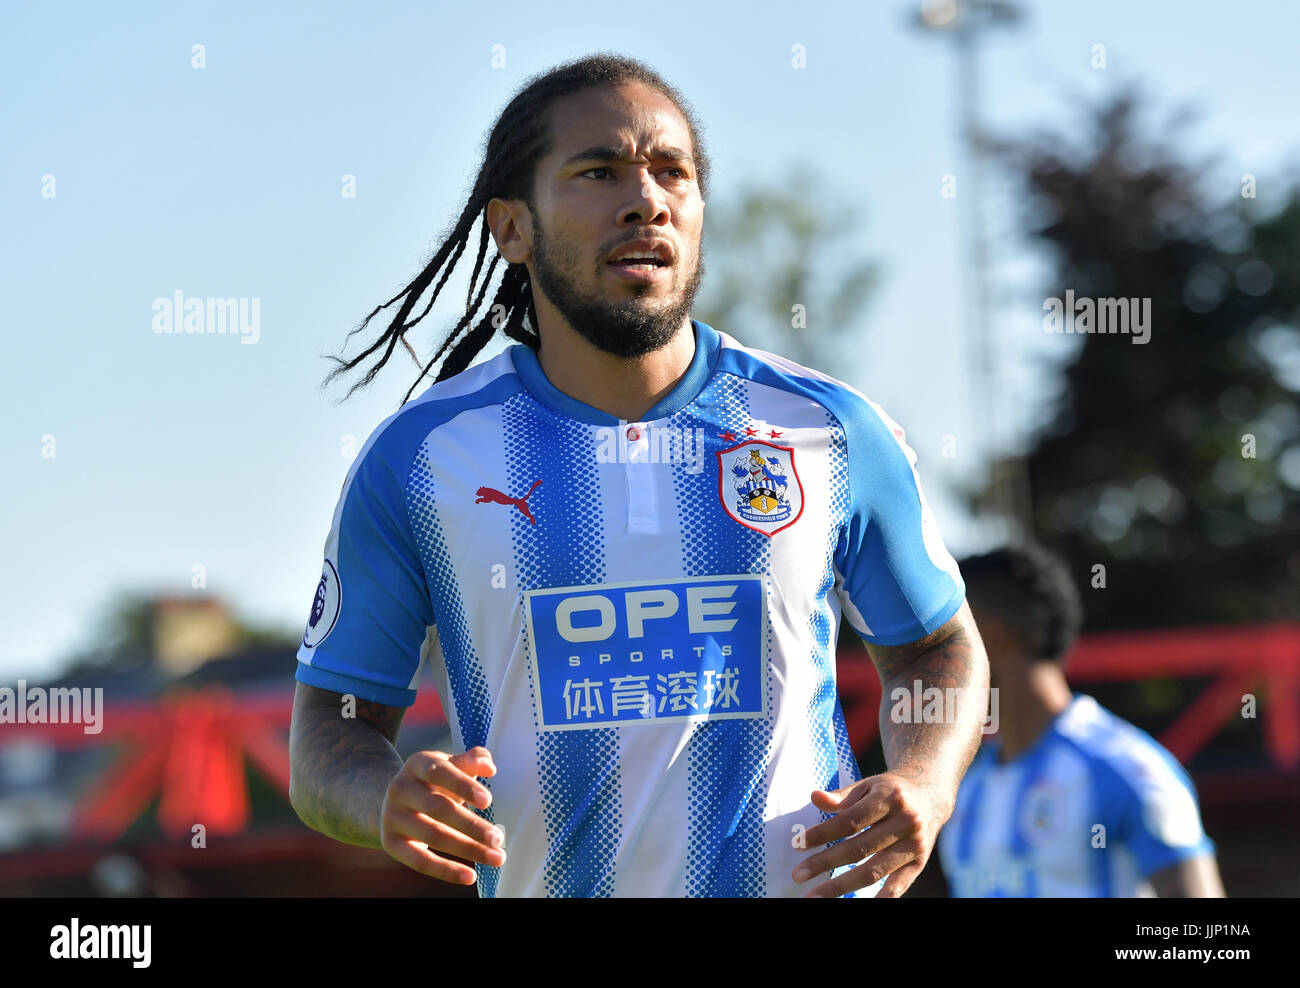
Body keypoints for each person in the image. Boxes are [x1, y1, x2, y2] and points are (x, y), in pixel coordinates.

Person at [288, 53, 989, 898]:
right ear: (511, 228)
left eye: (672, 173)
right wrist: (381, 796)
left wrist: (926, 782)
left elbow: (937, 647)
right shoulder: (422, 458)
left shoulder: (827, 429)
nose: (646, 199)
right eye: (598, 171)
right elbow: (331, 733)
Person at [938, 543, 1225, 897]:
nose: (932, 659)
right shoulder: (968, 787)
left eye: (944, 639)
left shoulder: (1127, 770)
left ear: (990, 637)